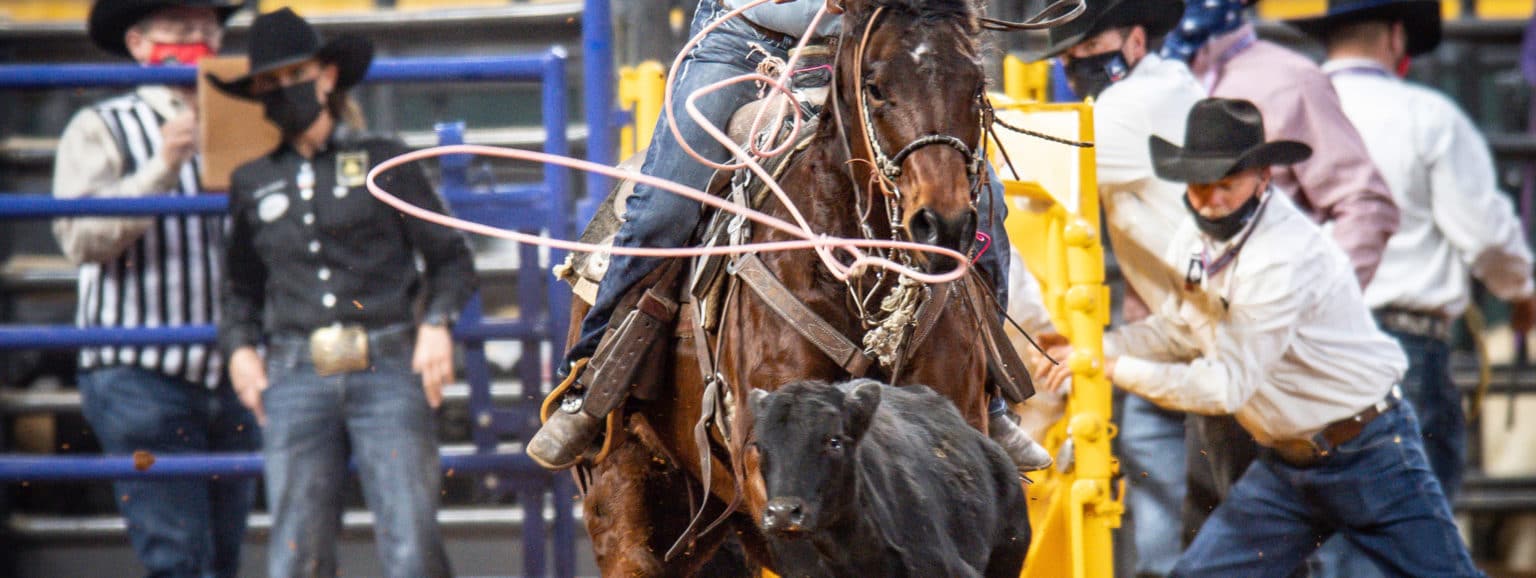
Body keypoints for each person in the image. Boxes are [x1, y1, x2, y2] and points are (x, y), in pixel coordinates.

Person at [526, 0, 1047, 473]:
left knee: (981, 201)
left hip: (879, 49)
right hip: (743, 49)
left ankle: (988, 393)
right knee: (665, 203)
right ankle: (594, 379)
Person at [1040, 97, 1482, 577]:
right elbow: (1180, 327)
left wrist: (1110, 366)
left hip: (1369, 452)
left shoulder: (1283, 255)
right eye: (1199, 185)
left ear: (1263, 178)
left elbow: (1225, 386)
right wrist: (1096, 348)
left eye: (1226, 184)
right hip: (1291, 461)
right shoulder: (1197, 241)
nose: (1211, 199)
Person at [209, 8, 476, 577]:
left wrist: (436, 324)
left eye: (292, 76)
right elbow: (239, 286)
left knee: (412, 541)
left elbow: (451, 257)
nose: (284, 92)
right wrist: (238, 348)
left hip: (387, 357)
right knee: (296, 549)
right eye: (269, 84)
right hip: (293, 367)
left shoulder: (385, 161)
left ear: (326, 76)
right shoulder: (253, 181)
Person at [1289, 1, 1536, 575]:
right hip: (1402, 345)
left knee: (1307, 530)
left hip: (1297, 346)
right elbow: (1487, 235)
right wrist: (1521, 292)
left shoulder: (1286, 110)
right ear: (1398, 36)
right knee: (1402, 539)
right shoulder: (1428, 116)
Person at [1159, 0, 1402, 545]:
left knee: (1259, 546)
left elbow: (1364, 202)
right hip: (1183, 359)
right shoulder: (1147, 77)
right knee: (1204, 543)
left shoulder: (1286, 80)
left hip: (1259, 369)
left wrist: (1290, 320)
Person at [53, 1, 256, 576]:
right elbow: (79, 239)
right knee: (177, 552)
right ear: (139, 43)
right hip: (138, 370)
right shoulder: (101, 125)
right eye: (182, 29)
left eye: (207, 28)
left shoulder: (247, 121)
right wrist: (161, 168)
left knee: (223, 548)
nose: (200, 39)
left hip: (235, 366)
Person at [1025, 0, 1202, 574]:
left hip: (1223, 341)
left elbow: (1031, 169)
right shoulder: (1167, 88)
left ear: (1134, 42)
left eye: (1088, 49)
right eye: (1068, 55)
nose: (1077, 64)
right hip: (1186, 330)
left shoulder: (1133, 106)